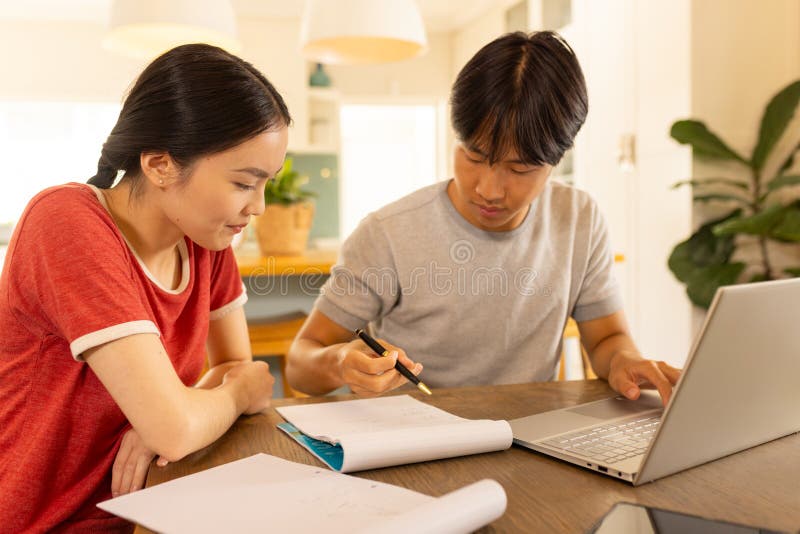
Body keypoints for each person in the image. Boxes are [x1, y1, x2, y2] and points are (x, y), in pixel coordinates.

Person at [286, 31, 681, 403]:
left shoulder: (579, 219)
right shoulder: (387, 233)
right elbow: (301, 363)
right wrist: (340, 362)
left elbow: (607, 339)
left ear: (556, 160)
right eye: (474, 157)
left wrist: (623, 361)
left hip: (530, 435)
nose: (489, 189)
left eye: (519, 169)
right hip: (414, 436)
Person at [0, 44, 288, 532]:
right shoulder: (65, 221)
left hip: (146, 510)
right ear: (159, 165)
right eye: (244, 183)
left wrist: (172, 417)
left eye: (267, 184)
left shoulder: (206, 238)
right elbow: (214, 402)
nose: (258, 206)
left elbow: (234, 372)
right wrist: (205, 407)